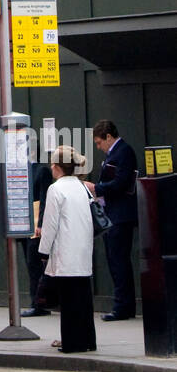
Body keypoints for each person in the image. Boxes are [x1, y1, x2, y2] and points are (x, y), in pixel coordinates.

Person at [38, 145, 96, 353]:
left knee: (69, 301)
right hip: (83, 249)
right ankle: (89, 340)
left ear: (56, 167)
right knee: (84, 299)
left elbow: (50, 224)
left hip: (65, 251)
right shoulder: (81, 187)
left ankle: (72, 343)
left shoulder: (56, 189)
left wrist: (43, 251)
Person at [87, 119, 138, 321]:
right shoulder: (115, 154)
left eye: (99, 142)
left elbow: (121, 182)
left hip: (120, 214)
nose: (99, 147)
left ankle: (123, 306)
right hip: (113, 213)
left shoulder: (123, 152)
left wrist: (97, 189)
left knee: (119, 261)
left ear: (109, 136)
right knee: (115, 260)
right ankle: (122, 304)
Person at [22, 158, 55, 317]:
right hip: (24, 221)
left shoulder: (42, 170)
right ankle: (37, 300)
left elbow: (44, 199)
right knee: (31, 264)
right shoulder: (22, 170)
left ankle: (39, 302)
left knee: (35, 263)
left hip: (36, 222)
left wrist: (41, 223)